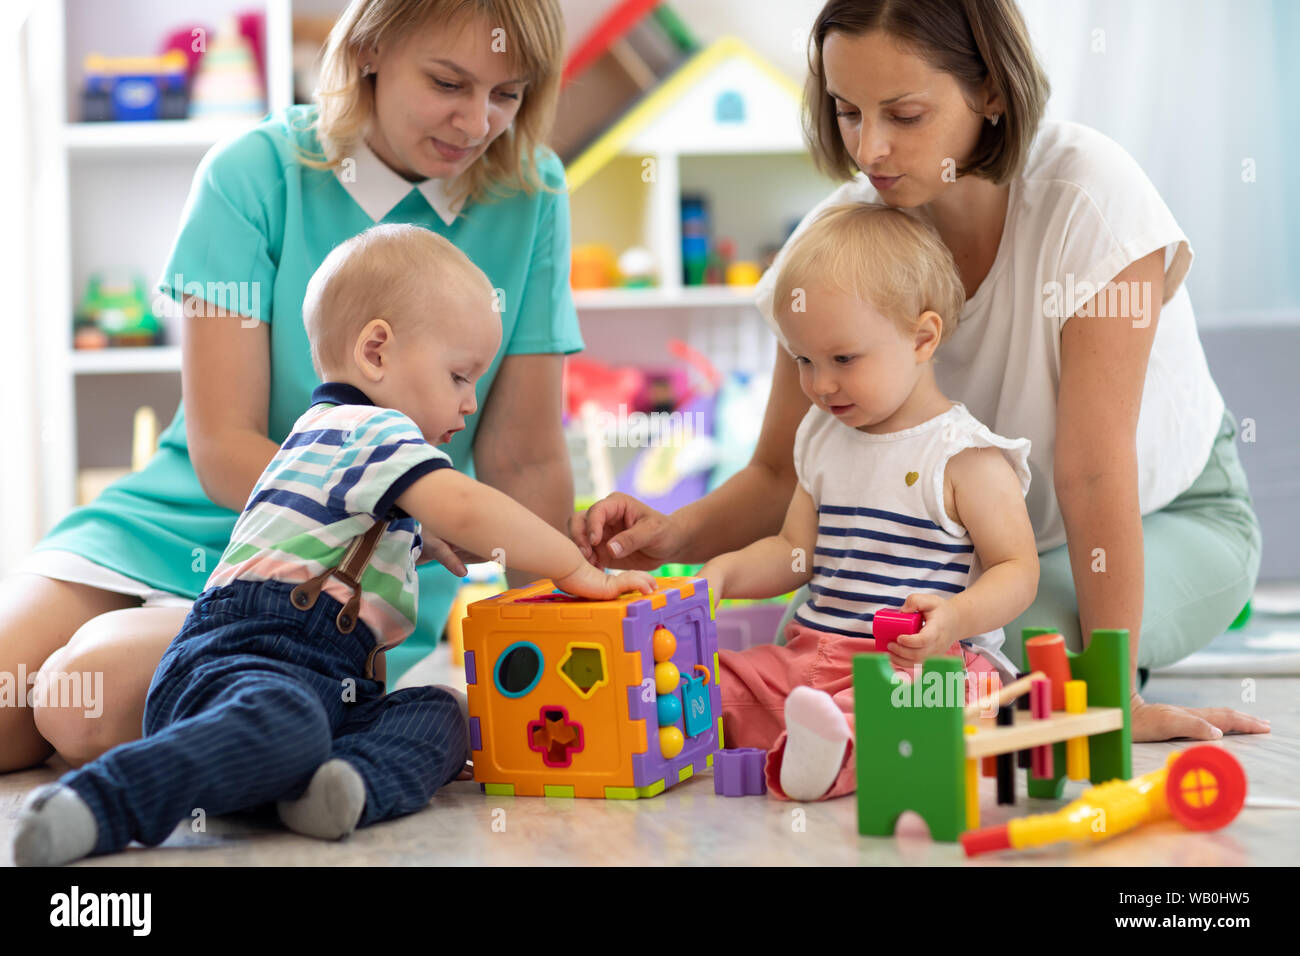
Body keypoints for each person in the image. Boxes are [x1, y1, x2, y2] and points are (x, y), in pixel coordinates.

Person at [571, 0, 1269, 744]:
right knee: (831, 646)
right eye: (847, 112)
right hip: (975, 552)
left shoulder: (1090, 201)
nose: (870, 149)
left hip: (1163, 514)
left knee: (989, 660)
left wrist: (1111, 700)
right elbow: (780, 475)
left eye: (904, 115)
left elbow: (1095, 473)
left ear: (992, 91)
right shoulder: (841, 243)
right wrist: (672, 536)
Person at [1, 0, 580, 773]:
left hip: (336, 571)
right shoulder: (254, 171)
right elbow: (221, 446)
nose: (477, 122)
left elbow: (525, 459)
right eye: (449, 82)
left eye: (507, 94)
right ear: (371, 49)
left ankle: (267, 716)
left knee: (86, 707)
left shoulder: (531, 193)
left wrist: (573, 626)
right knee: (9, 713)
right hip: (181, 521)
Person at [11, 225, 653, 866]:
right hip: (240, 665)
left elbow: (377, 533)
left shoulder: (363, 466)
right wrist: (573, 569)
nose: (471, 402)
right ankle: (98, 803)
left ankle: (342, 784)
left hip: (328, 689)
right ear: (376, 352)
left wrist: (420, 541)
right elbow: (463, 500)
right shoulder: (365, 429)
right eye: (459, 376)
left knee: (447, 712)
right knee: (286, 718)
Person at [699, 203, 1038, 801]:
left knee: (914, 712)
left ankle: (829, 754)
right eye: (804, 360)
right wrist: (725, 572)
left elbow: (1018, 570)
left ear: (922, 337)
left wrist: (955, 619)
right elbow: (793, 553)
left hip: (924, 666)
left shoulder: (964, 455)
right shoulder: (821, 438)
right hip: (812, 660)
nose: (820, 384)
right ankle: (805, 740)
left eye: (843, 360)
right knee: (715, 685)